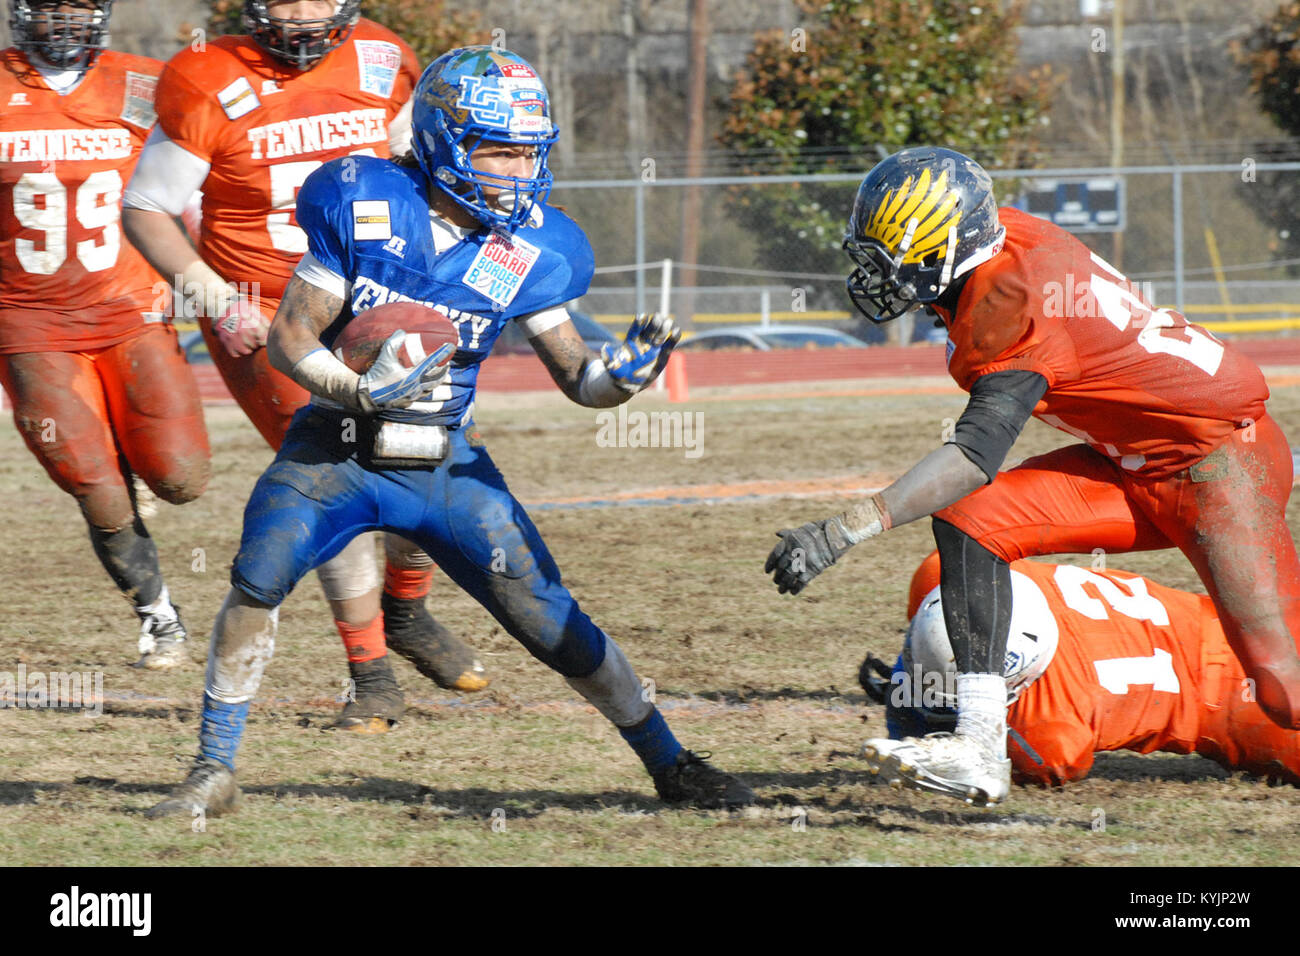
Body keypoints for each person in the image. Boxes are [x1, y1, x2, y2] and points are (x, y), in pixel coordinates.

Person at [145, 46, 755, 818]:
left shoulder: (532, 246)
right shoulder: (364, 199)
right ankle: (213, 769)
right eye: (497, 149)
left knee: (553, 622)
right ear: (441, 138)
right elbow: (290, 339)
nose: (515, 170)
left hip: (442, 463)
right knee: (257, 577)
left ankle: (673, 764)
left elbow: (581, 382)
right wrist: (356, 389)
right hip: (334, 446)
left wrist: (623, 379)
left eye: (528, 152)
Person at [765, 146, 1299, 806]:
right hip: (1127, 458)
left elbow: (969, 458)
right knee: (972, 521)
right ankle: (980, 747)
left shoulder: (1008, 304)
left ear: (949, 248)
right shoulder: (996, 238)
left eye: (894, 260)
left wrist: (841, 530)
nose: (881, 275)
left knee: (1281, 688)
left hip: (1219, 467)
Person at [122, 0, 488, 731]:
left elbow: (425, 173)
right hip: (272, 312)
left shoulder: (382, 57)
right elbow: (147, 206)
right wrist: (217, 300)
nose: (304, 12)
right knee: (339, 477)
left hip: (378, 295)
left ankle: (408, 610)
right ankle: (371, 674)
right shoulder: (206, 74)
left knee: (431, 454)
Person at [0, 0, 210, 668]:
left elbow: (197, 190)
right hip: (30, 321)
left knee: (181, 477)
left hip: (130, 309)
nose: (67, 20)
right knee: (92, 479)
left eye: (82, 6)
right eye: (54, 5)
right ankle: (159, 616)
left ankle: (129, 454)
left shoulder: (147, 83)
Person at [862, 551, 1300, 788]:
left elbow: (1053, 763)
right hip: (1230, 615)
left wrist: (930, 711)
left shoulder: (1049, 733)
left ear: (1019, 683)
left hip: (1233, 701)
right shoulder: (947, 573)